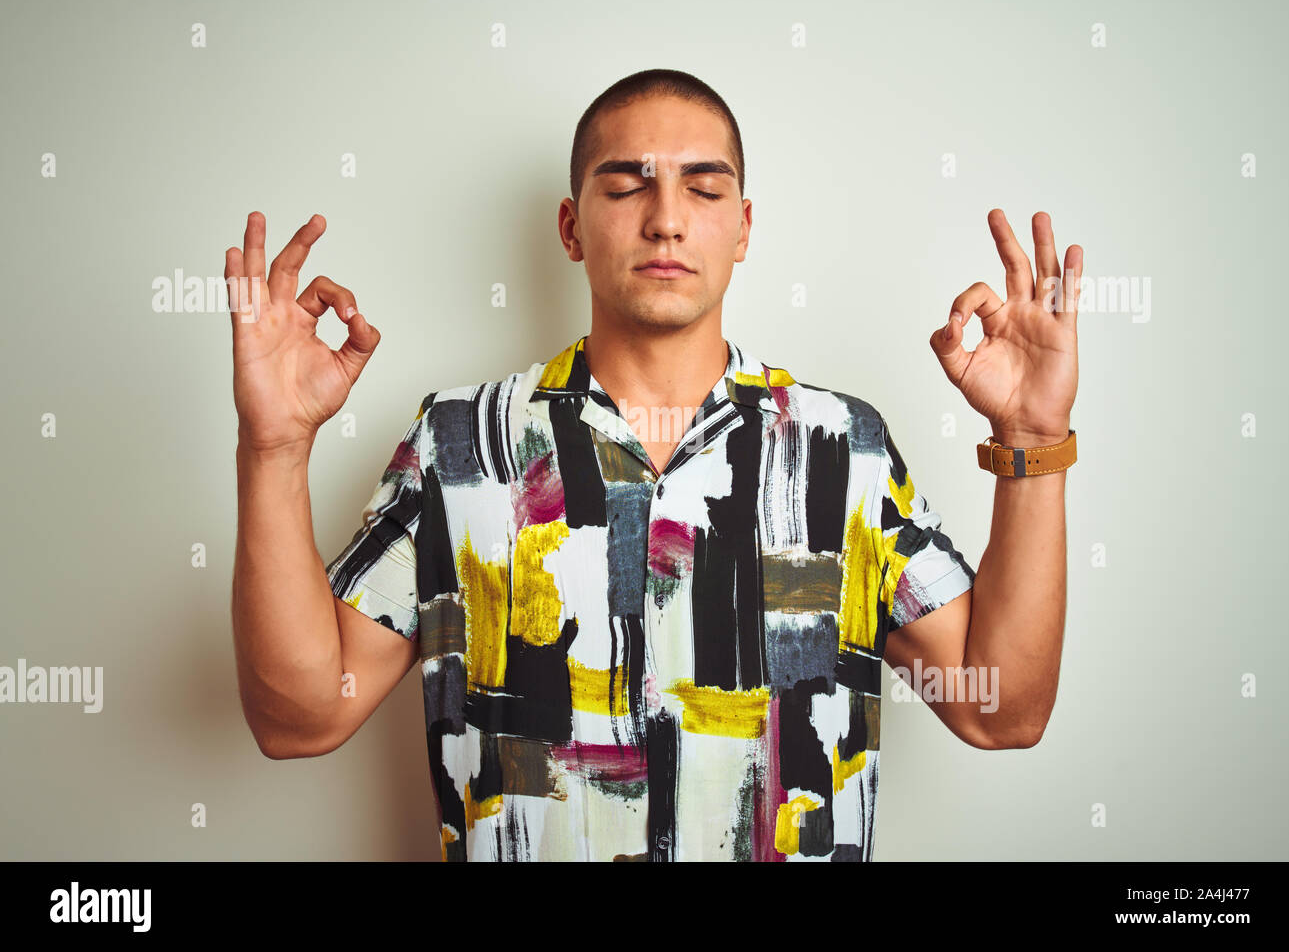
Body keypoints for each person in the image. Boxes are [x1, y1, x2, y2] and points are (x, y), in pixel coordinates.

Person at [227, 68, 1080, 861]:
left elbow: (1001, 709)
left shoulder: (842, 448)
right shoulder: (462, 445)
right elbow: (297, 718)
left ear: (743, 227)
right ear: (571, 226)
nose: (666, 216)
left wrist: (1036, 439)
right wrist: (273, 448)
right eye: (627, 183)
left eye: (704, 188)